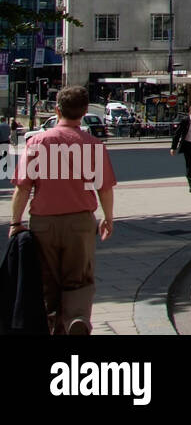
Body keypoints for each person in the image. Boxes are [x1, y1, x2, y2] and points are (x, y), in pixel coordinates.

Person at [9, 85, 116, 335]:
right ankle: (76, 317)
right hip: (80, 222)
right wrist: (108, 218)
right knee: (78, 277)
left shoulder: (37, 141)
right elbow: (105, 189)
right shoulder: (92, 144)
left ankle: (49, 320)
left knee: (46, 278)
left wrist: (15, 222)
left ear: (57, 110)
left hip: (43, 222)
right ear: (85, 111)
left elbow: (23, 187)